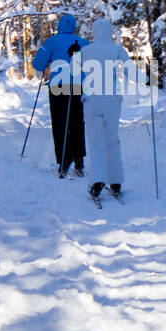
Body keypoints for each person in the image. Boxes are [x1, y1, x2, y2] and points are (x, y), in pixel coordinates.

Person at [78, 18, 129, 202]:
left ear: (93, 32)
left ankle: (97, 181)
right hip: (112, 100)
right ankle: (115, 182)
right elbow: (130, 71)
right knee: (112, 140)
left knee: (97, 143)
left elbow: (73, 71)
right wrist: (151, 77)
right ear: (109, 31)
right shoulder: (117, 49)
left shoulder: (85, 51)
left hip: (92, 100)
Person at [32, 14, 88, 177]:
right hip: (77, 86)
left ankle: (64, 159)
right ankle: (79, 159)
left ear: (60, 26)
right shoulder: (83, 43)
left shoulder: (53, 41)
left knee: (59, 122)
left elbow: (38, 63)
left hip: (58, 86)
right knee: (77, 121)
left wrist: (47, 64)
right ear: (74, 27)